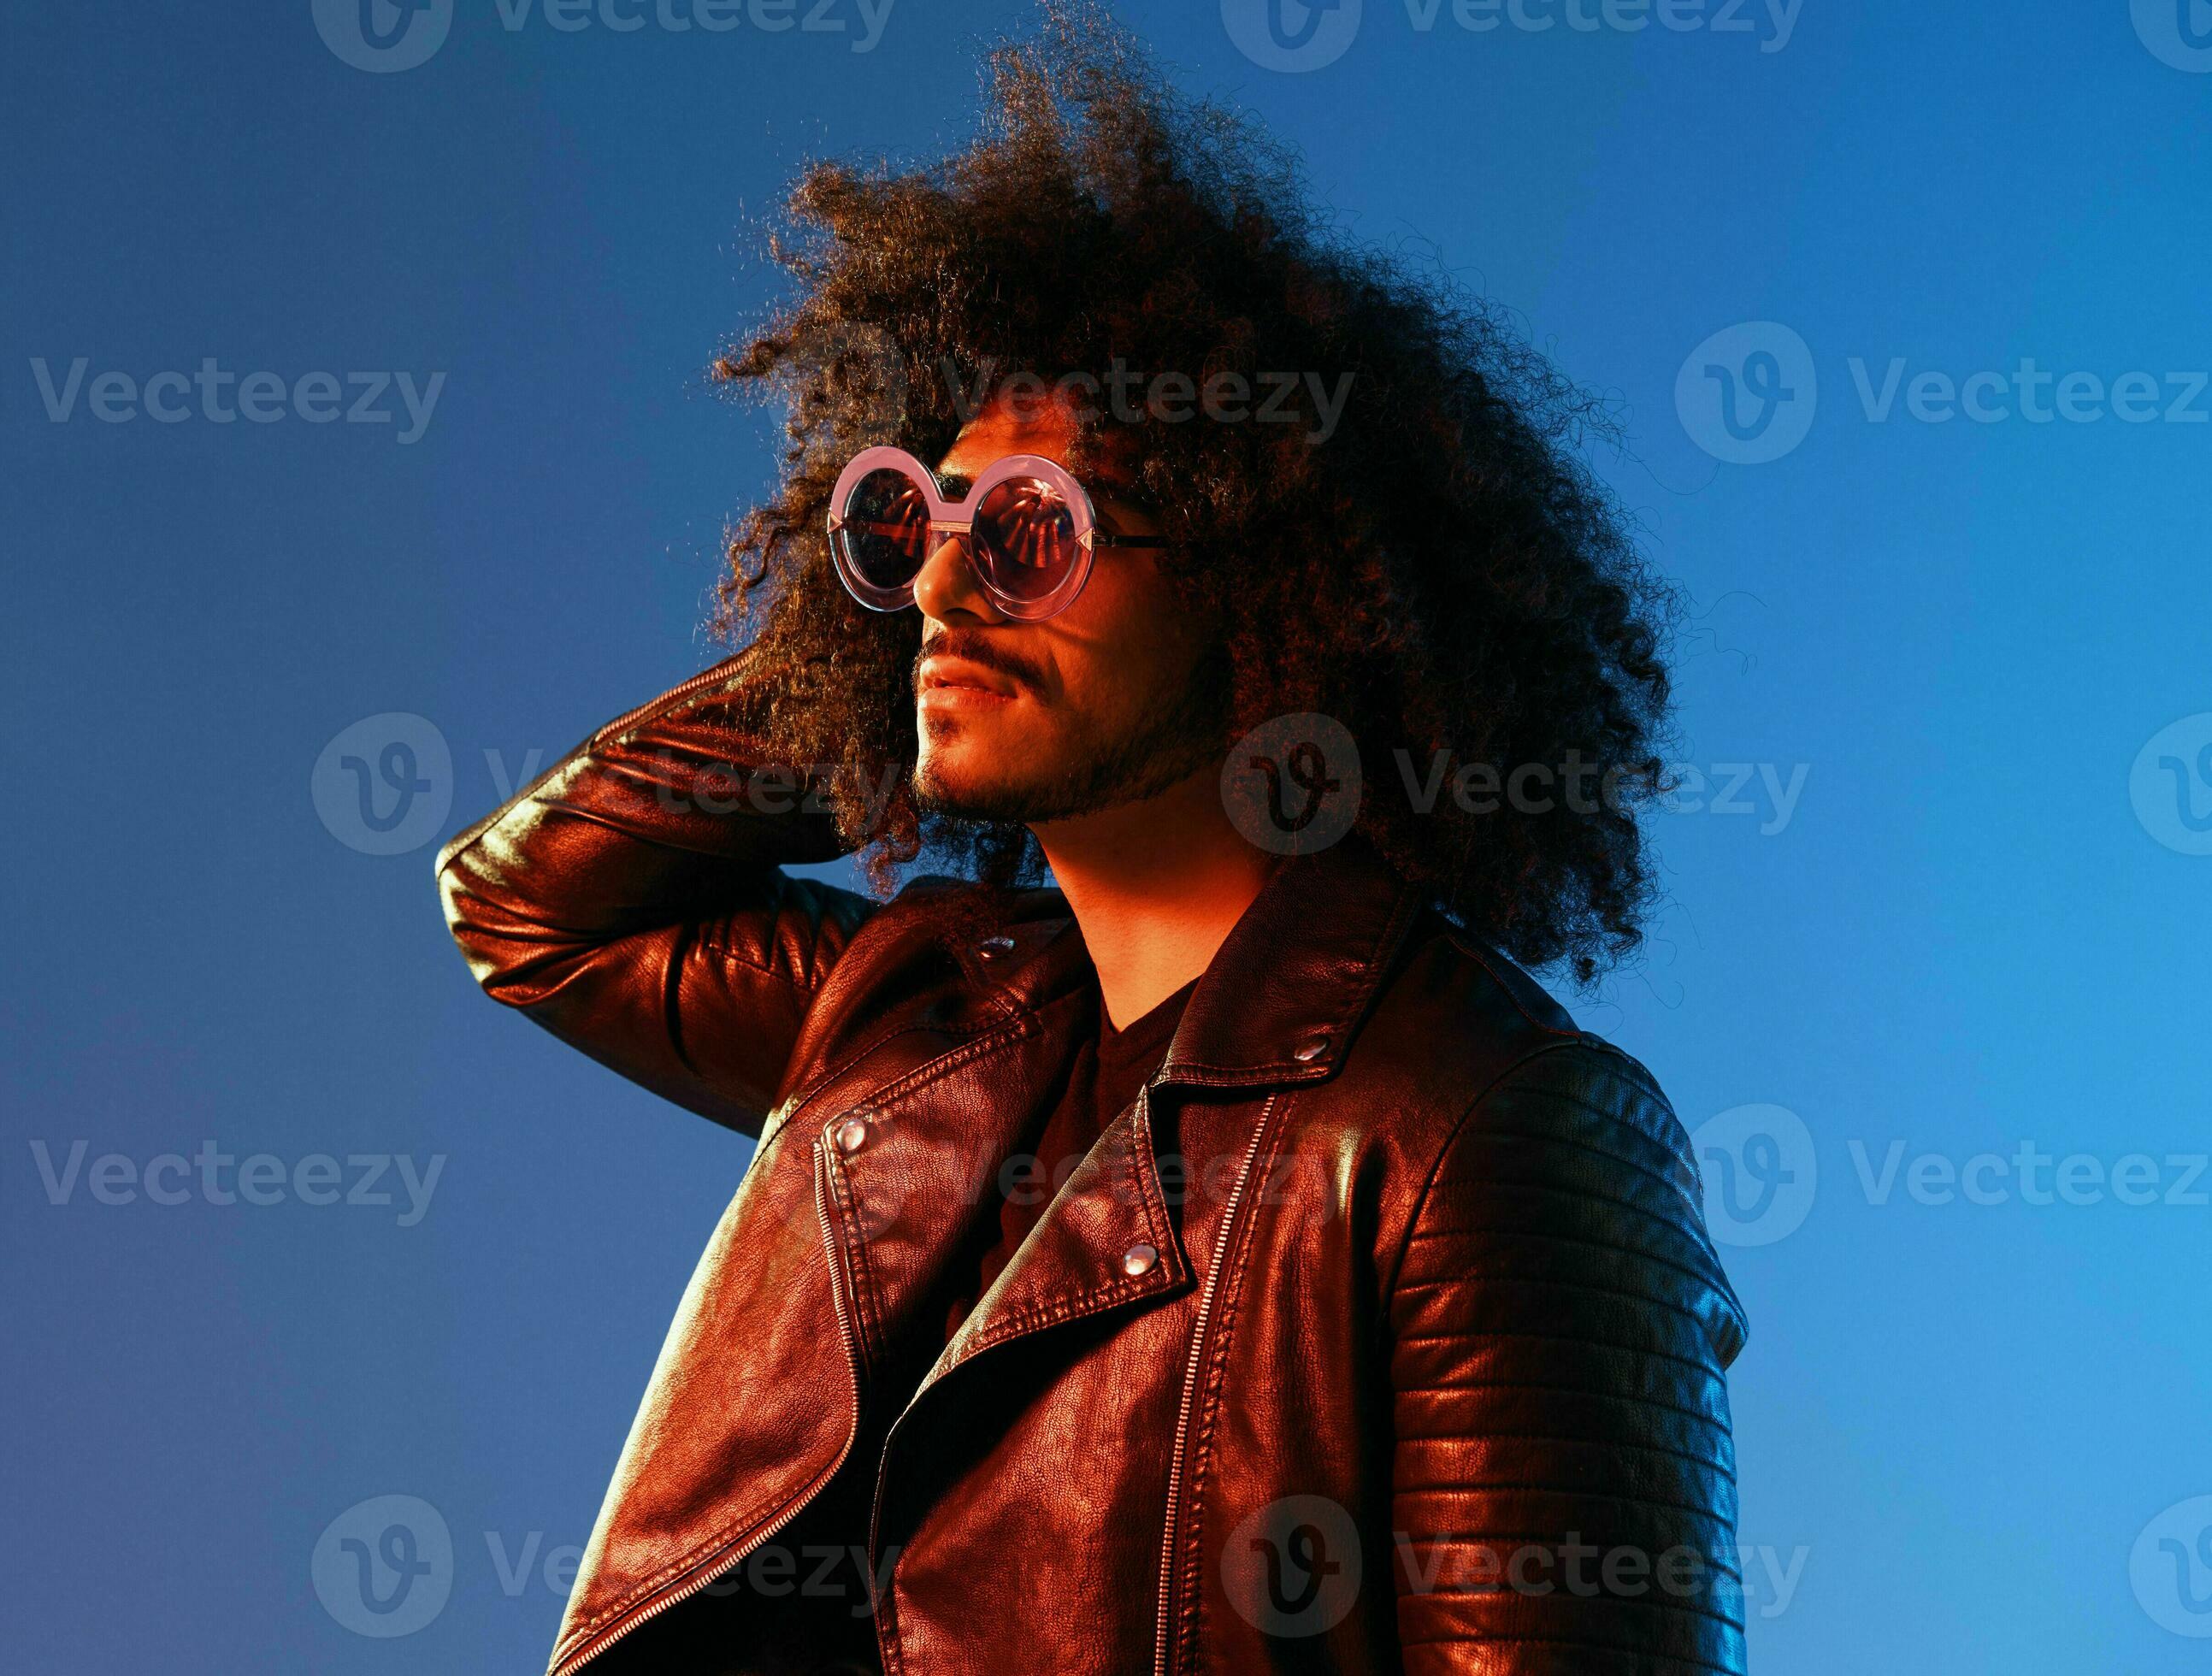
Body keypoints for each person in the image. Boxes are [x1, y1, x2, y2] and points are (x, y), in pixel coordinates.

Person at [438, 9, 1748, 1671]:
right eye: (914, 520)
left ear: (1260, 576)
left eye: (1037, 528)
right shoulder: (913, 1022)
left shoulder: (1487, 1120)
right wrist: (884, 666)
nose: (933, 580)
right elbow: (535, 904)